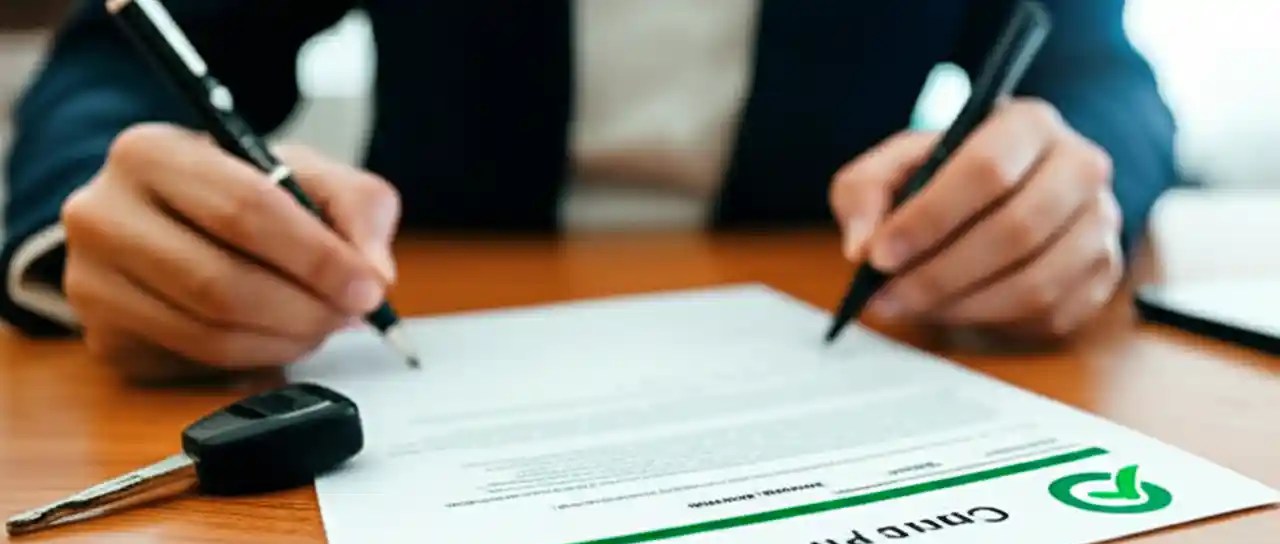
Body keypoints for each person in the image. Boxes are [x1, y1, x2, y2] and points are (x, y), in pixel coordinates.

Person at [1, 1, 1176, 381]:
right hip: (422, 339)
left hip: (832, 340)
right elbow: (120, 60)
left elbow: (1094, 73)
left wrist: (1074, 194)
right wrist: (89, 229)